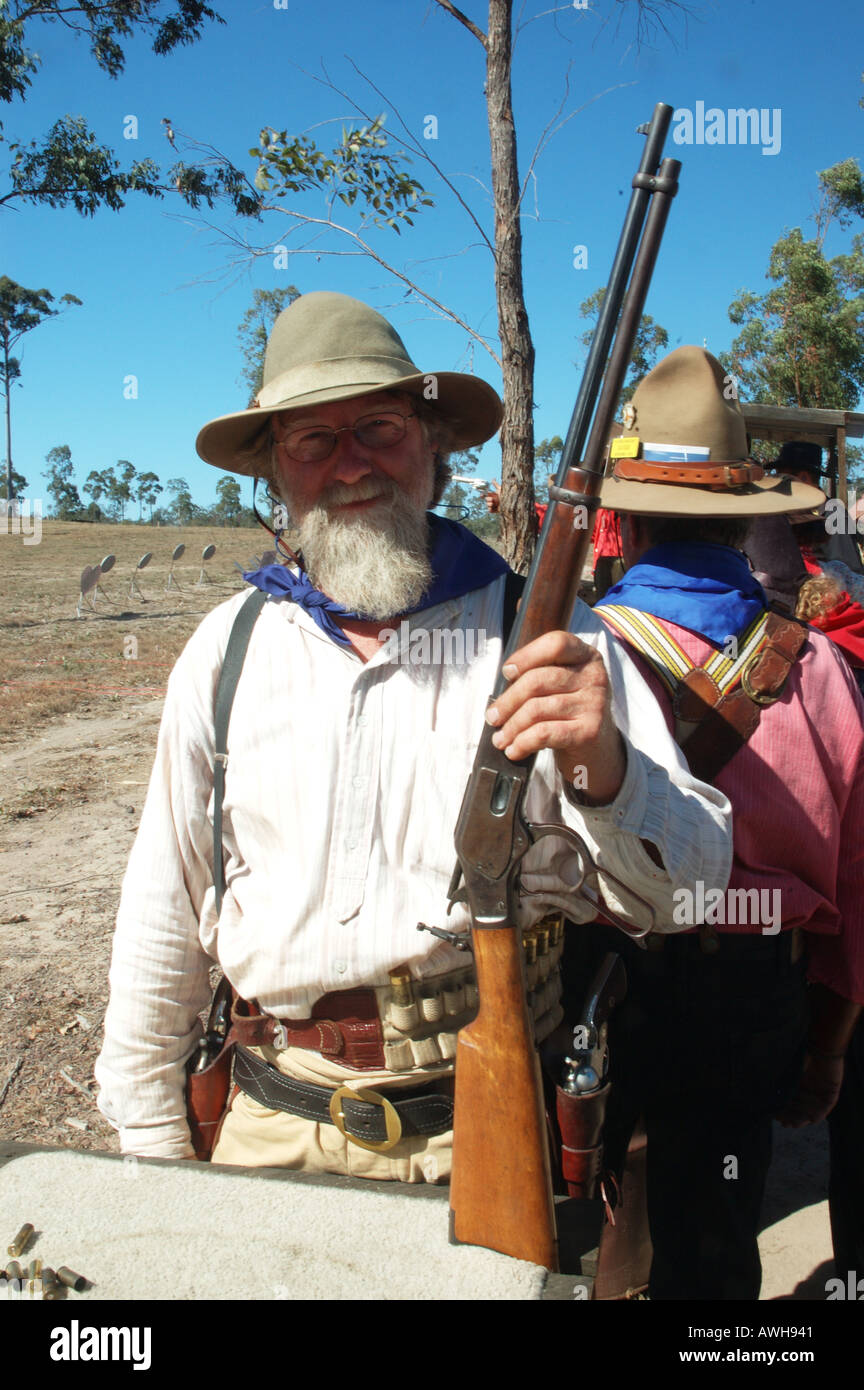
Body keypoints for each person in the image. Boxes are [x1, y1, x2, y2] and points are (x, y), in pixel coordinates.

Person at [95, 293, 732, 1183]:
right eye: (313, 440)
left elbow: (694, 891)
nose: (351, 464)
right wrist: (150, 1148)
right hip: (268, 1122)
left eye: (379, 427)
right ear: (276, 467)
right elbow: (163, 911)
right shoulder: (226, 651)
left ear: (434, 441)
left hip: (485, 1125)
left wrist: (605, 769)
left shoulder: (550, 638)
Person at [582, 345, 864, 1300]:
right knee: (717, 1243)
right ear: (748, 517)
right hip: (757, 999)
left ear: (619, 521)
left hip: (604, 987)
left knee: (598, 1227)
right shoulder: (821, 669)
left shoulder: (575, 662)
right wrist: (828, 1042)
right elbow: (855, 883)